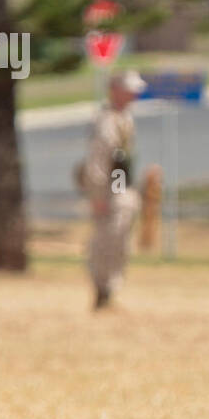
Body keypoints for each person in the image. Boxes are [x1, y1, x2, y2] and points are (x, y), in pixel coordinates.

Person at [80, 70, 145, 309]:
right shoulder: (105, 120)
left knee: (121, 242)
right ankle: (102, 290)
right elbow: (98, 160)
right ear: (115, 90)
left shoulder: (125, 118)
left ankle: (112, 289)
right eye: (129, 89)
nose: (134, 94)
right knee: (106, 241)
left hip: (124, 186)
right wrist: (98, 194)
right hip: (109, 190)